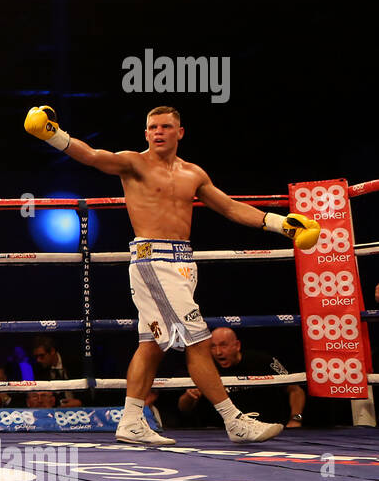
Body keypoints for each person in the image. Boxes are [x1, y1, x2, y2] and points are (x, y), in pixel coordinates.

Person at [25, 104, 319, 445]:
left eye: (165, 126)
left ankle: (131, 421)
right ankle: (234, 420)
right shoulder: (133, 163)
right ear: (146, 133)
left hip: (182, 264)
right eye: (152, 127)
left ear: (180, 132)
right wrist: (53, 135)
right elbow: (91, 155)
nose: (158, 132)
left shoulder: (193, 173)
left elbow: (228, 206)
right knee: (198, 341)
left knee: (151, 345)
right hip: (154, 262)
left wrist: (279, 223)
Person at [174, 327, 306, 427]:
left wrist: (296, 419)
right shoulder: (205, 369)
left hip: (267, 426)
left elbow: (295, 390)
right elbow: (184, 409)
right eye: (213, 347)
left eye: (223, 345)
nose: (218, 352)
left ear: (237, 346)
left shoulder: (263, 361)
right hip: (219, 432)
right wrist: (189, 397)